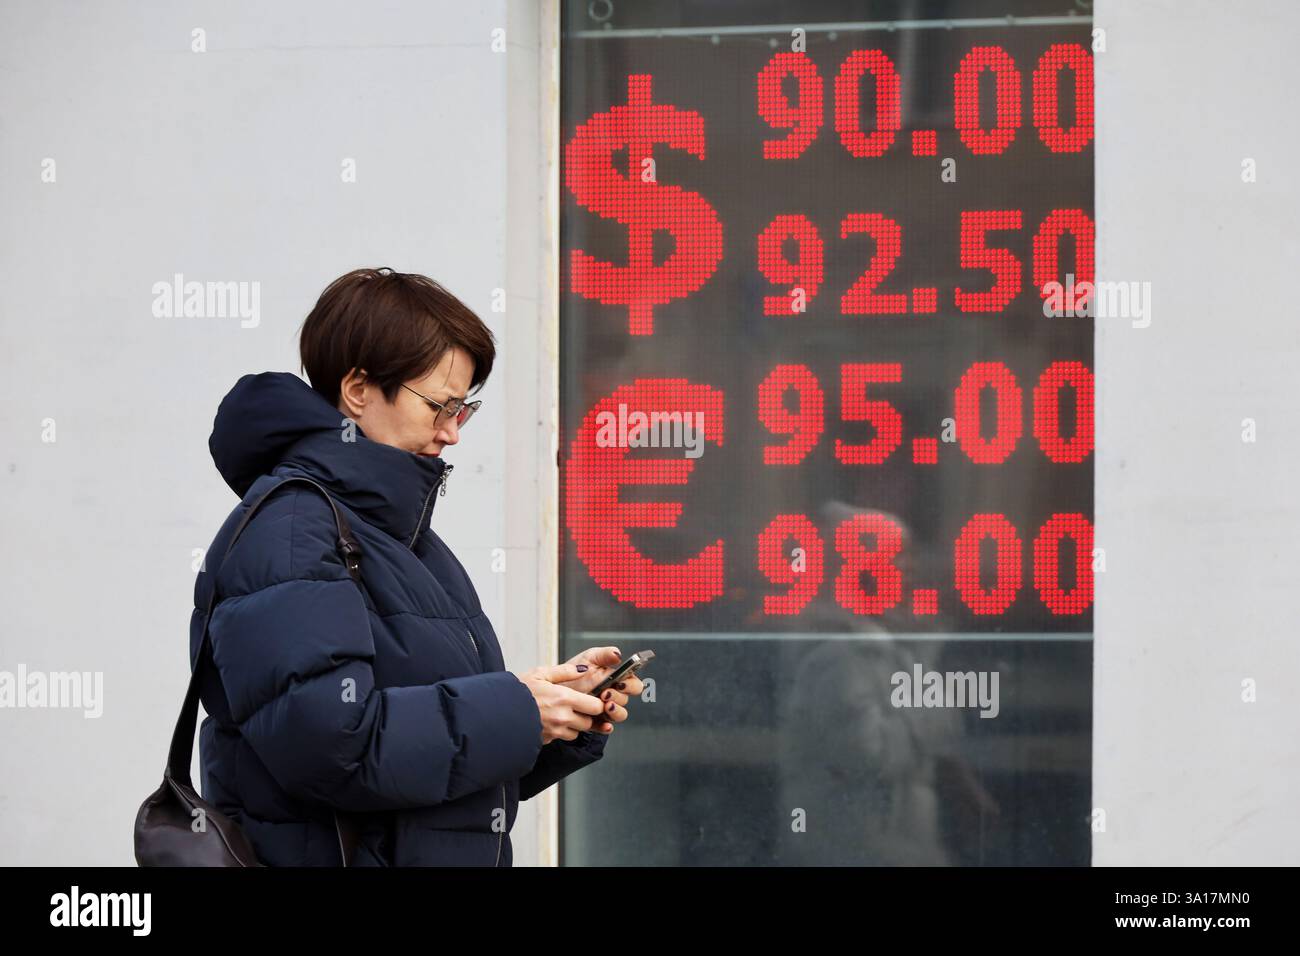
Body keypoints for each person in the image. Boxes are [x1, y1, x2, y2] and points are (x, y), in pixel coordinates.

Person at [192, 266, 642, 865]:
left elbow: (438, 781)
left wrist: (559, 713)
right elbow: (332, 750)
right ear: (358, 391)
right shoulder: (293, 530)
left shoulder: (401, 541)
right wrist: (517, 709)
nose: (453, 433)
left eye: (465, 409)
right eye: (440, 407)